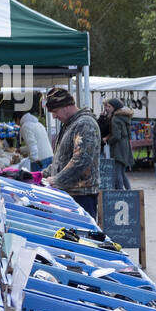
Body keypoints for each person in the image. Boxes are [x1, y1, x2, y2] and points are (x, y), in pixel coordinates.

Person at [41, 87, 101, 218]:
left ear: (67, 106)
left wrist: (56, 180)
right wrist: (42, 174)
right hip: (70, 192)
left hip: (81, 195)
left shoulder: (85, 124)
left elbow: (81, 160)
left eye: (55, 111)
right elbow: (63, 159)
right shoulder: (70, 124)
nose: (54, 116)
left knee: (81, 235)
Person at [102, 97, 134, 190]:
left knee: (117, 173)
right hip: (125, 146)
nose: (107, 108)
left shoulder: (115, 118)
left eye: (109, 106)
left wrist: (108, 141)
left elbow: (116, 136)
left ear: (114, 107)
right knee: (122, 172)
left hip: (118, 148)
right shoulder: (124, 117)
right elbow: (127, 134)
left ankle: (120, 193)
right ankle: (129, 191)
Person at [15, 98, 53, 172]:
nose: (16, 124)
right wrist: (21, 150)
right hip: (49, 156)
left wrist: (34, 159)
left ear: (17, 119)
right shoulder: (37, 123)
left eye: (15, 121)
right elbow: (37, 143)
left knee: (37, 181)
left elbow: (32, 144)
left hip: (40, 160)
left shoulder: (25, 126)